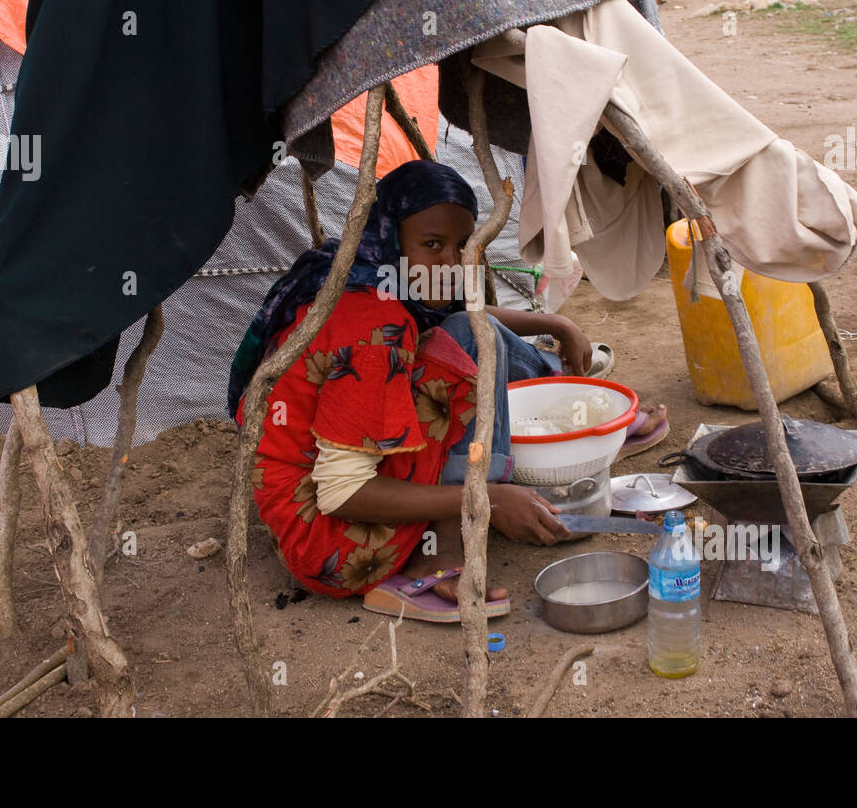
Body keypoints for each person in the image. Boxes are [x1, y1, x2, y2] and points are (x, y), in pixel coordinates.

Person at [227, 160, 668, 621]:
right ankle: (440, 548)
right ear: (392, 238)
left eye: (463, 246)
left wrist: (553, 321)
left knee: (465, 329)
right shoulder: (373, 327)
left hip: (309, 490)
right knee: (465, 349)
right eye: (432, 244)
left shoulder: (373, 271)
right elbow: (342, 492)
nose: (451, 264)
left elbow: (468, 311)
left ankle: (580, 411)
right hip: (332, 541)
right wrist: (487, 499)